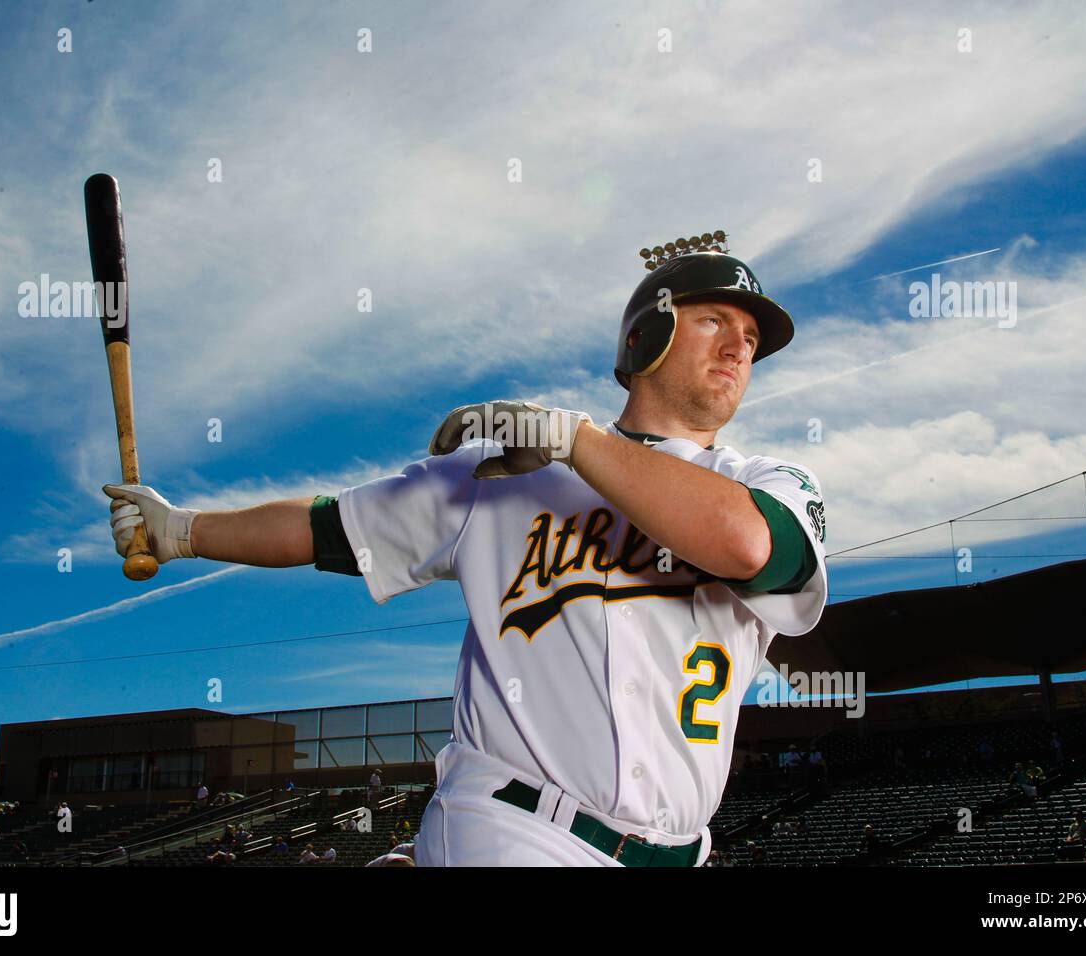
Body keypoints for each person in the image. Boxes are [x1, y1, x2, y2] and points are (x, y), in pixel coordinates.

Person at [104, 238, 827, 867]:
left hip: (681, 850)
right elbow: (329, 528)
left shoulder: (765, 485)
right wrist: (183, 531)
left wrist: (575, 438)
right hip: (517, 827)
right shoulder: (505, 473)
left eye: (751, 340)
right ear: (647, 337)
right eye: (713, 322)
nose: (739, 347)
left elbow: (747, 545)